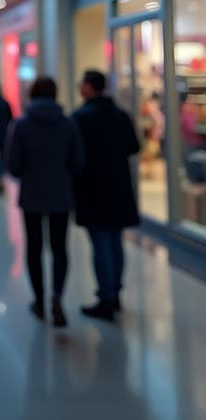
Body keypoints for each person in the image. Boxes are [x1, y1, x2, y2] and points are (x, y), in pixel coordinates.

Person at [6, 76, 84, 328]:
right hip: (61, 193)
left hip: (32, 194)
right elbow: (78, 161)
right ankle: (57, 297)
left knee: (34, 247)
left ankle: (39, 300)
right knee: (59, 247)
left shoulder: (22, 125)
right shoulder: (68, 124)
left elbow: (13, 166)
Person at [72, 69, 140, 321]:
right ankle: (115, 292)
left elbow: (74, 156)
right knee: (115, 242)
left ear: (89, 88)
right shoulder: (121, 115)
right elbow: (134, 146)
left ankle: (106, 297)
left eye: (82, 84)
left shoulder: (80, 118)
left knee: (101, 244)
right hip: (119, 188)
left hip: (92, 189)